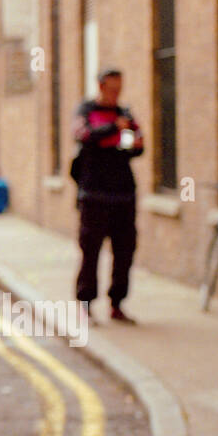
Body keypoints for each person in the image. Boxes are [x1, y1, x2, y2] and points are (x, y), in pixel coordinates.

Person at [71, 68, 144, 324]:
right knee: (90, 252)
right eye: (112, 89)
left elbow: (135, 146)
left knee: (124, 252)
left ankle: (117, 304)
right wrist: (113, 129)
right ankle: (85, 305)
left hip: (123, 195)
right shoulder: (86, 111)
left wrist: (126, 140)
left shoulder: (125, 114)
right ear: (101, 87)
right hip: (94, 195)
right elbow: (84, 135)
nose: (116, 94)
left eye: (119, 89)